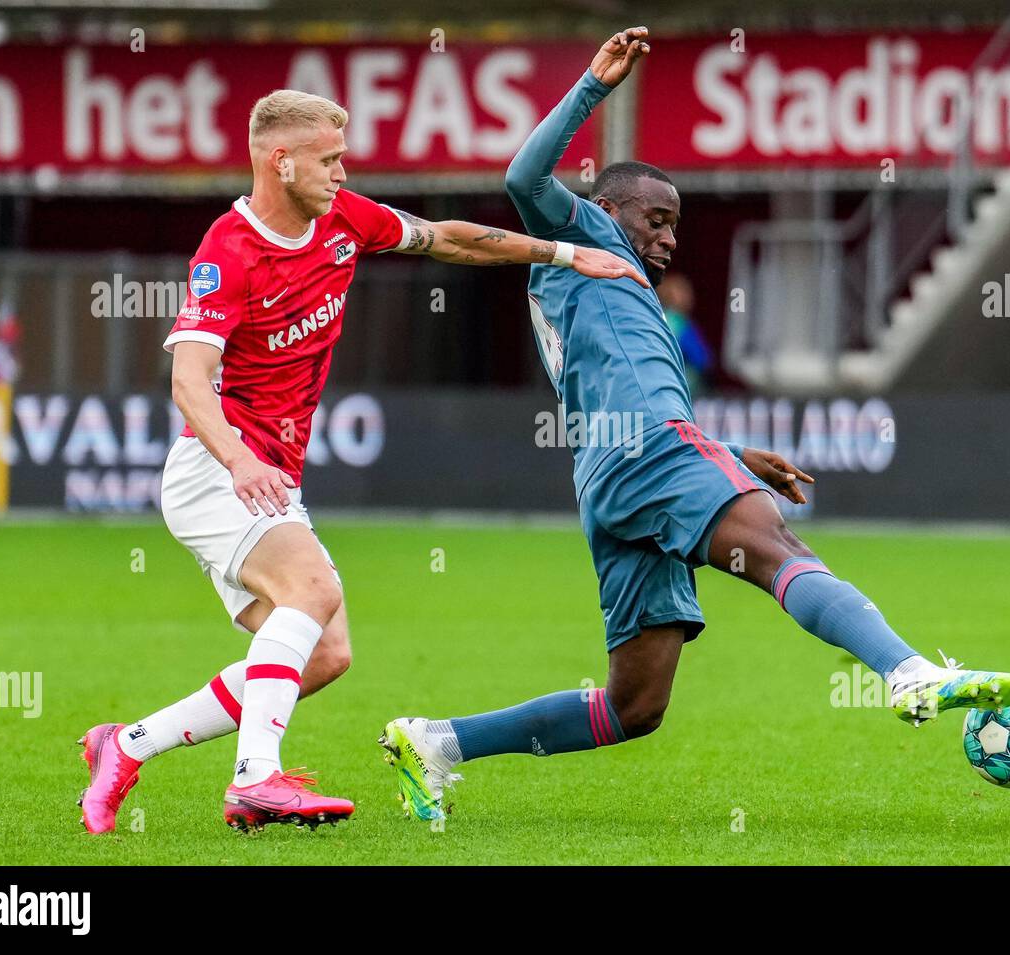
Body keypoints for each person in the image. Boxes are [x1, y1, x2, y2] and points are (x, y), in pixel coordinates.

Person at [380, 28, 1010, 821]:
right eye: (655, 218)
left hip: (613, 476)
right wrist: (593, 84)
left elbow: (628, 395)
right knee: (781, 547)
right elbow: (523, 174)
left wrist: (726, 452)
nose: (667, 237)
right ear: (606, 207)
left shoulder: (614, 292)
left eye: (674, 224)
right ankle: (906, 671)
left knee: (636, 704)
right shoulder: (584, 237)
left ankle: (439, 742)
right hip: (649, 455)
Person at [75, 89, 647, 834]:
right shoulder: (227, 250)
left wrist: (568, 253)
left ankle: (125, 744)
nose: (343, 174)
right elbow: (189, 380)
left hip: (270, 477)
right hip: (219, 469)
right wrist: (242, 462)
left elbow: (446, 237)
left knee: (323, 654)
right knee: (307, 590)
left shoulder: (344, 219)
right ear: (280, 162)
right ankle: (256, 779)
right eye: (330, 159)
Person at [657, 272, 714, 394]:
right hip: (683, 389)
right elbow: (701, 359)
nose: (690, 297)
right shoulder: (679, 324)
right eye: (684, 292)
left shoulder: (657, 319)